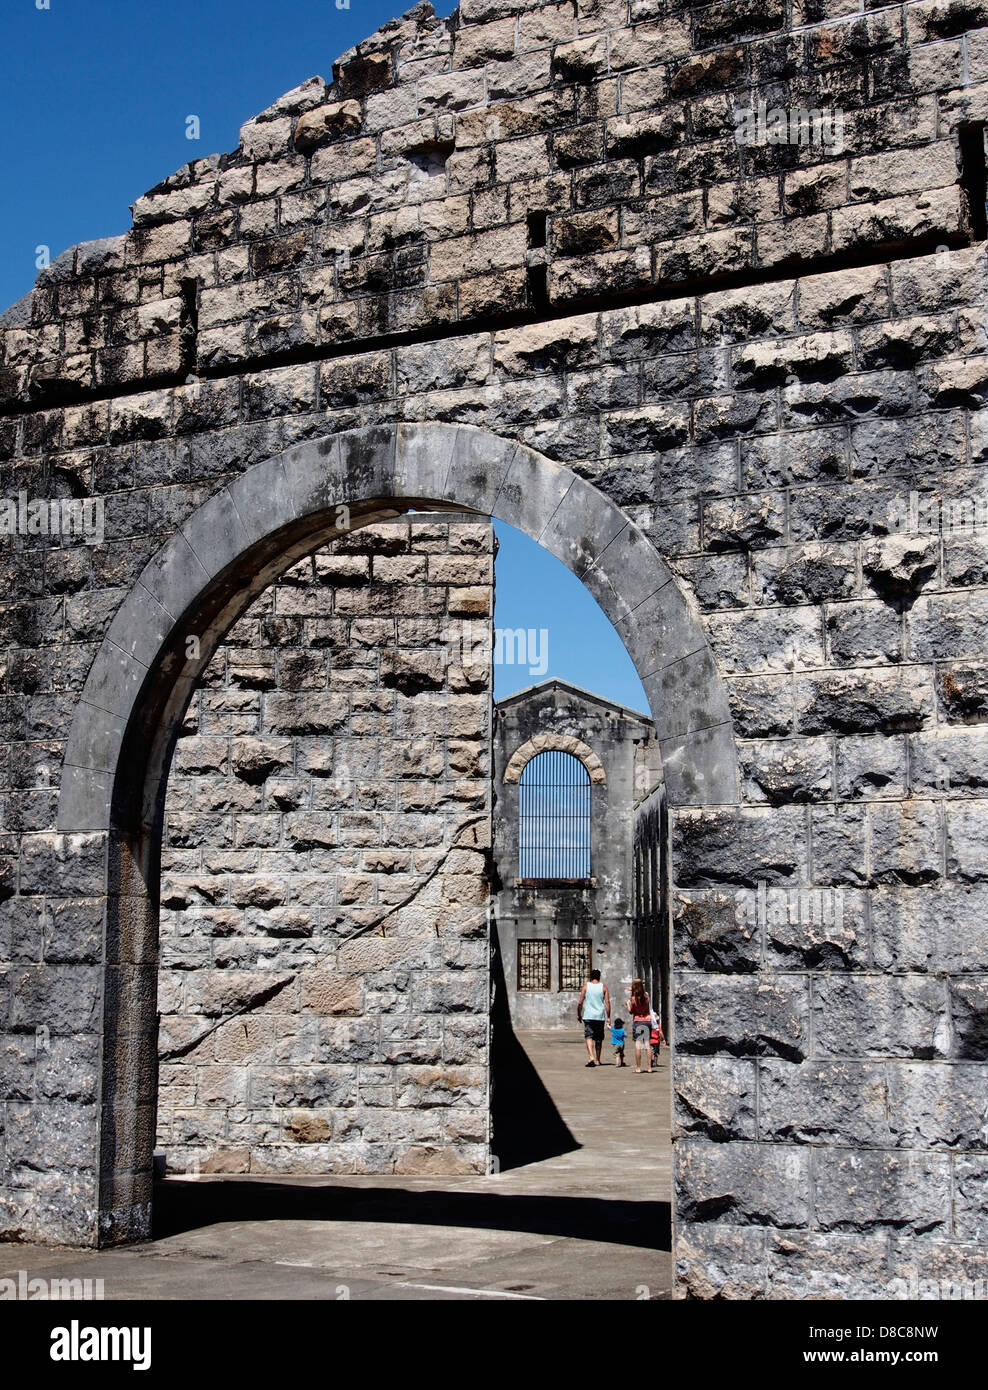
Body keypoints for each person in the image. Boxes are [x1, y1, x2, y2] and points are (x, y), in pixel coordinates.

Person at [577, 968, 610, 1067]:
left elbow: (580, 1002)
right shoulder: (604, 987)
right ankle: (598, 1060)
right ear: (599, 976)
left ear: (591, 976)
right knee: (599, 1039)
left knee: (589, 1036)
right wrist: (609, 1017)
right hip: (600, 1016)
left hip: (588, 1015)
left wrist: (579, 1014)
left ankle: (591, 1056)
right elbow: (607, 1003)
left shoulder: (586, 986)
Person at [625, 977, 653, 1073]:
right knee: (647, 1044)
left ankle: (638, 1067)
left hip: (638, 1022)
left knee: (638, 1045)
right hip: (647, 1021)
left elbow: (631, 1012)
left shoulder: (633, 999)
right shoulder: (646, 996)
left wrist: (627, 1005)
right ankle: (649, 1067)